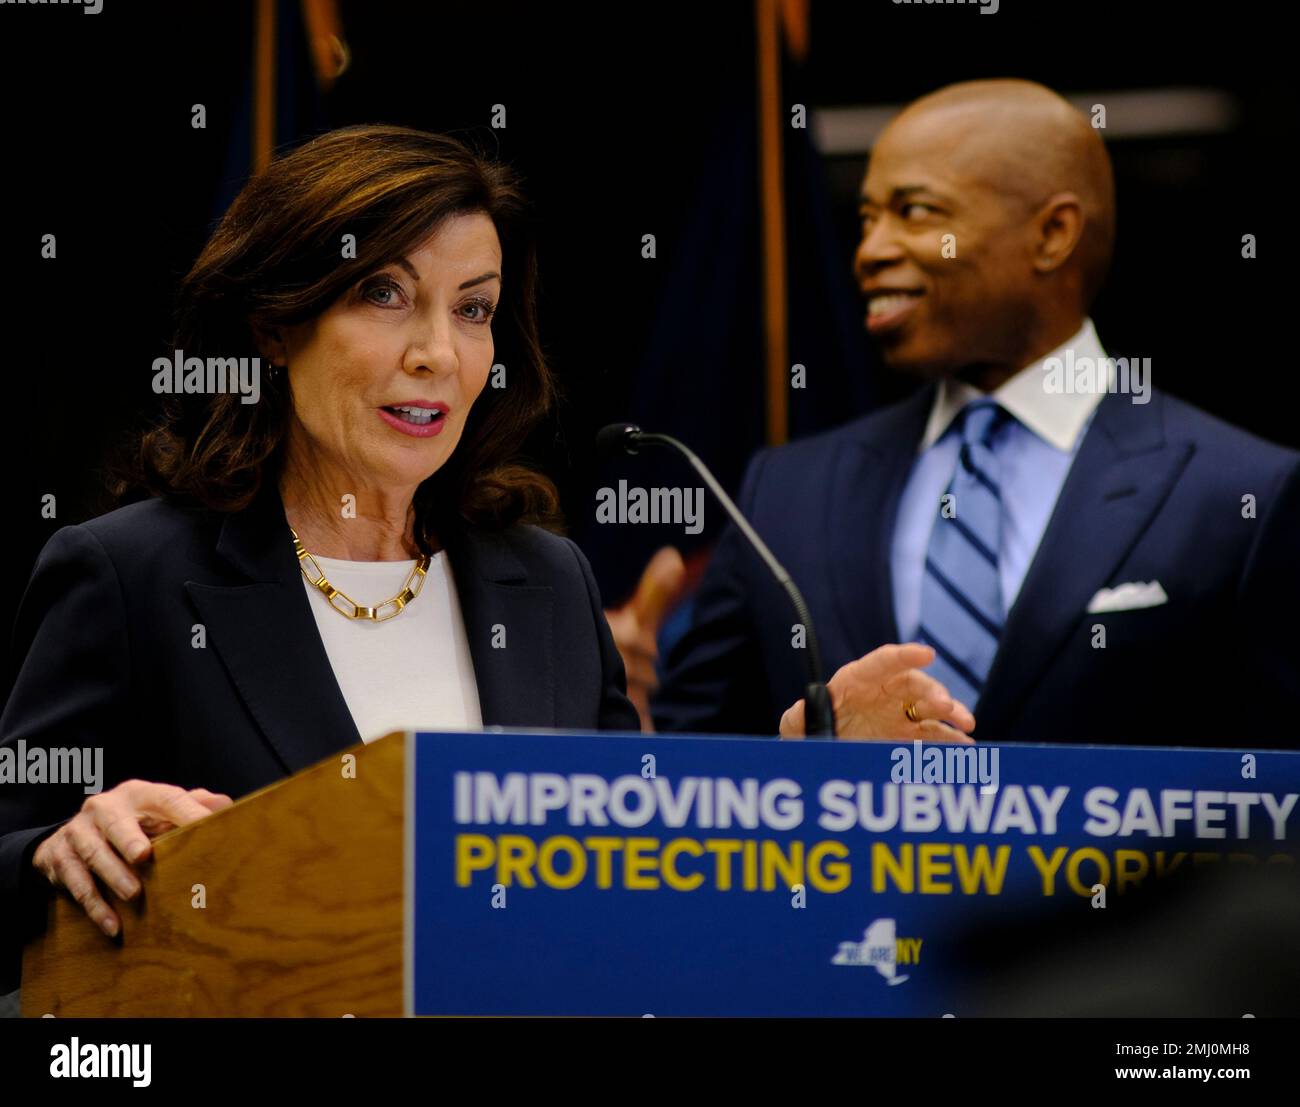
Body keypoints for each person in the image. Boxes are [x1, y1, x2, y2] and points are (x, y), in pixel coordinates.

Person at [0, 125, 641, 993]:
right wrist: (56, 846)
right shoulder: (128, 575)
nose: (438, 355)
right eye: (384, 293)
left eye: (473, 308)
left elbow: (626, 883)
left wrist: (793, 766)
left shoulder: (549, 581)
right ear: (275, 324)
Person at [640, 79, 1300, 743]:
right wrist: (646, 711)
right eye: (867, 219)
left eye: (916, 211)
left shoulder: (1242, 496)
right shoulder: (783, 493)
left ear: (1052, 233)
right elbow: (690, 773)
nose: (871, 251)